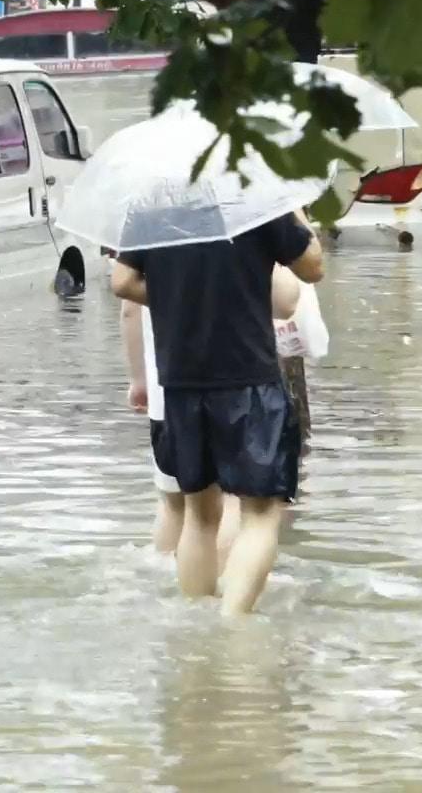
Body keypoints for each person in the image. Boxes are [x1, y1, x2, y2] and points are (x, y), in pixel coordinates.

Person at [111, 211, 325, 616]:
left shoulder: (155, 205)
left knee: (199, 514)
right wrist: (299, 219)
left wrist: (182, 297)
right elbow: (311, 269)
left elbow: (121, 281)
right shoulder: (252, 197)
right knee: (260, 513)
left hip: (180, 381)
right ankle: (231, 626)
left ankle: (195, 620)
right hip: (248, 379)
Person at [122, 266, 303, 559]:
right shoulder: (239, 229)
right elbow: (284, 301)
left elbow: (129, 308)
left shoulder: (150, 229)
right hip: (231, 388)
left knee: (175, 504)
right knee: (231, 502)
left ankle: (167, 579)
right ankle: (223, 583)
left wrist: (138, 379)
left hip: (165, 393)